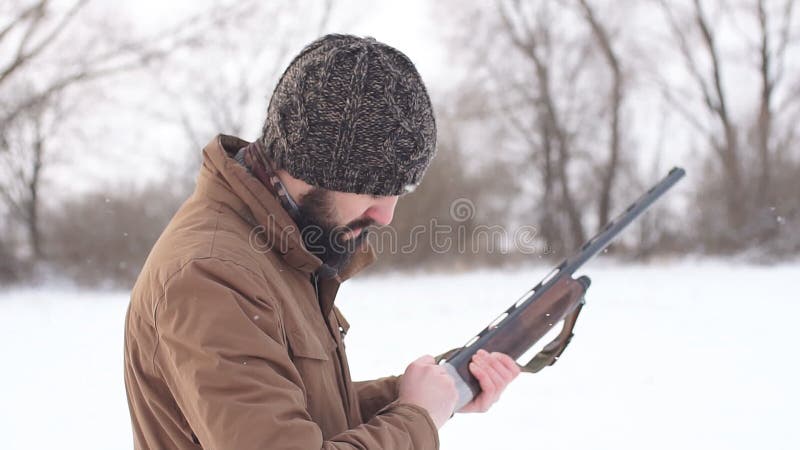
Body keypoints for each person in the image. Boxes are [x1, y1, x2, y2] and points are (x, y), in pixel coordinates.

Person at [124, 34, 520, 450]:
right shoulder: (211, 274)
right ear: (314, 166)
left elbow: (296, 417)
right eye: (374, 190)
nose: (386, 216)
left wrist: (418, 395)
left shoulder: (280, 248)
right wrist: (416, 418)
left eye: (399, 191)